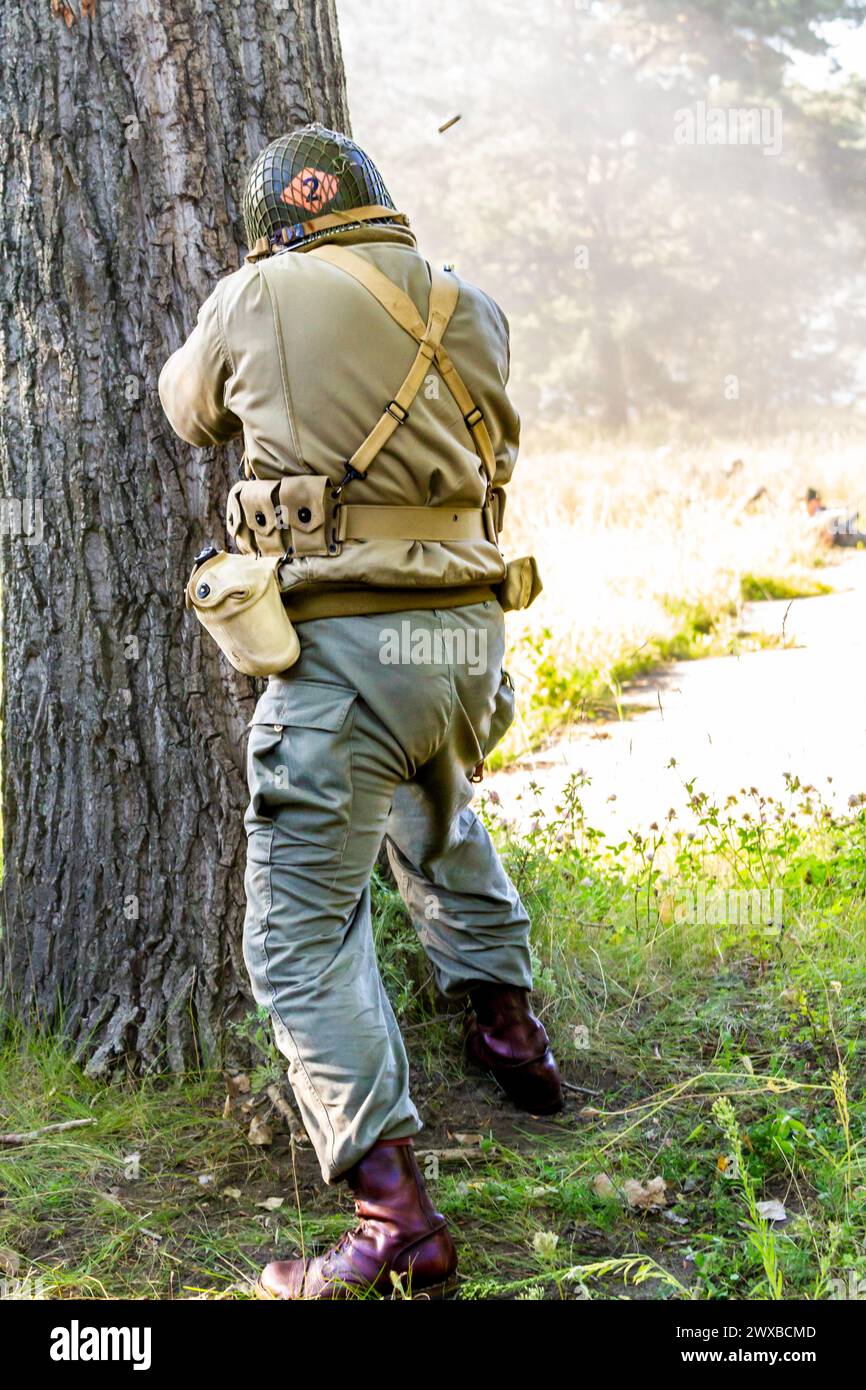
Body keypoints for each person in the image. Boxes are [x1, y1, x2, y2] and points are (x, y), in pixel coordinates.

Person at [159, 123, 561, 1301]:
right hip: (467, 645)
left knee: (293, 939)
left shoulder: (253, 294)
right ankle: (512, 1037)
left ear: (273, 226)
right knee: (432, 815)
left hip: (345, 652)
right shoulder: (468, 304)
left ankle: (394, 1222)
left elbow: (188, 410)